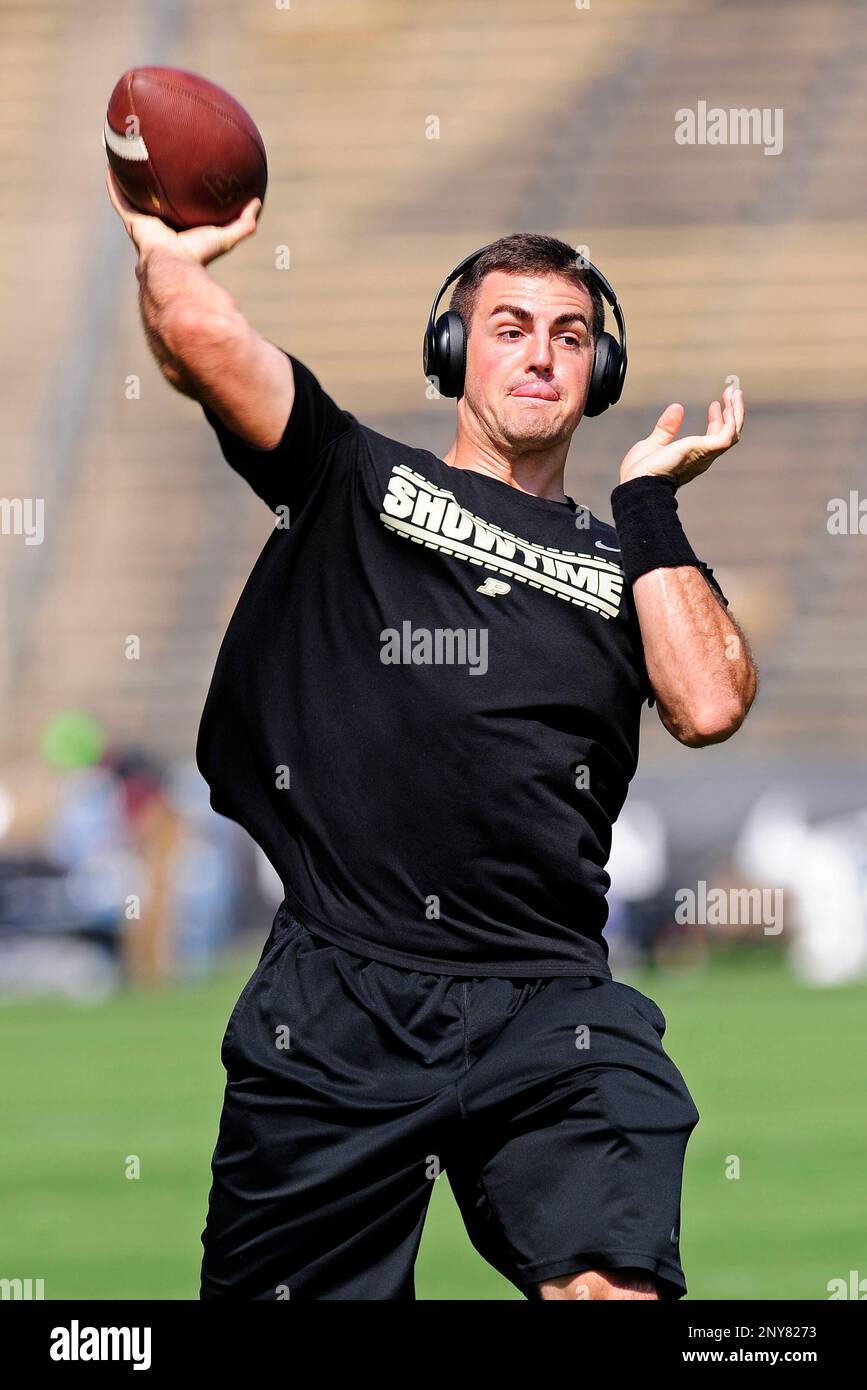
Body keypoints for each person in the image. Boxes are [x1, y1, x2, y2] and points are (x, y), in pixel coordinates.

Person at [107, 170, 757, 1300]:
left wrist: (649, 504)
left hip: (548, 996)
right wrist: (171, 252)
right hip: (340, 993)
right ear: (453, 350)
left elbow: (709, 702)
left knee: (614, 1289)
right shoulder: (353, 478)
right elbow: (205, 344)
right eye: (509, 329)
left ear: (601, 372)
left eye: (570, 336)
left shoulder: (623, 562)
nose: (542, 354)